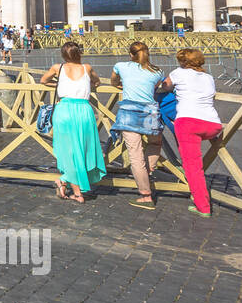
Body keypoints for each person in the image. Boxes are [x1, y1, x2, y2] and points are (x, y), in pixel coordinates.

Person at [40, 41, 106, 202]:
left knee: (68, 151)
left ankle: (73, 189)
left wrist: (59, 83)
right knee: (83, 149)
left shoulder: (58, 68)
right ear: (79, 54)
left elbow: (43, 81)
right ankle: (70, 185)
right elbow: (97, 82)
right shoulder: (87, 68)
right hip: (84, 111)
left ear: (63, 55)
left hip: (65, 110)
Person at [162, 48, 222, 218]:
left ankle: (203, 206)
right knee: (195, 163)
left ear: (183, 62)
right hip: (213, 125)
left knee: (193, 167)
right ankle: (199, 197)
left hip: (188, 123)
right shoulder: (208, 77)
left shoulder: (179, 73)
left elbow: (164, 87)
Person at [110, 41, 163, 210]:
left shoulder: (121, 66)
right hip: (150, 112)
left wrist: (123, 84)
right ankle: (148, 170)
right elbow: (154, 88)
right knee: (155, 143)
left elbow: (113, 82)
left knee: (135, 154)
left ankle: (145, 194)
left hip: (129, 113)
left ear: (131, 55)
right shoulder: (158, 71)